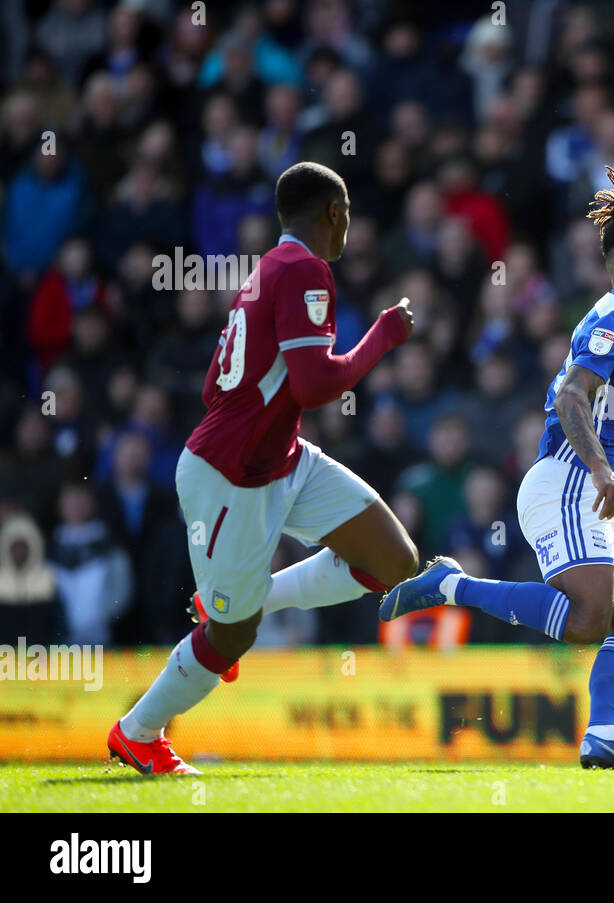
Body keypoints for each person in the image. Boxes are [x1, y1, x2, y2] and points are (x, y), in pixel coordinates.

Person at [107, 162, 419, 775]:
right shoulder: (306, 269)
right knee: (231, 638)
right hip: (230, 475)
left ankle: (243, 601)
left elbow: (215, 385)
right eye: (348, 213)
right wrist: (383, 335)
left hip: (281, 458)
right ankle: (137, 732)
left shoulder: (266, 271)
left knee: (394, 561)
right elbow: (312, 382)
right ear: (333, 213)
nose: (350, 225)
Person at [380, 166, 614, 770]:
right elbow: (572, 399)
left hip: (589, 483)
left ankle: (603, 734)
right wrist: (604, 476)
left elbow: (604, 429)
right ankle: (450, 585)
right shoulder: (611, 320)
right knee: (585, 621)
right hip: (566, 482)